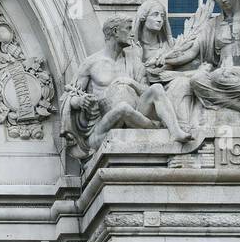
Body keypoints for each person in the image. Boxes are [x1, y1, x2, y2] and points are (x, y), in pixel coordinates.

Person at [61, 16, 193, 156]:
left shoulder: (133, 60)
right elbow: (70, 97)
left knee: (157, 89)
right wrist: (80, 101)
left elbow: (145, 90)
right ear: (116, 31)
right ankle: (155, 126)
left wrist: (130, 82)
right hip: (104, 125)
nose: (132, 34)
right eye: (128, 28)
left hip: (135, 112)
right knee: (123, 108)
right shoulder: (91, 63)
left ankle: (175, 131)